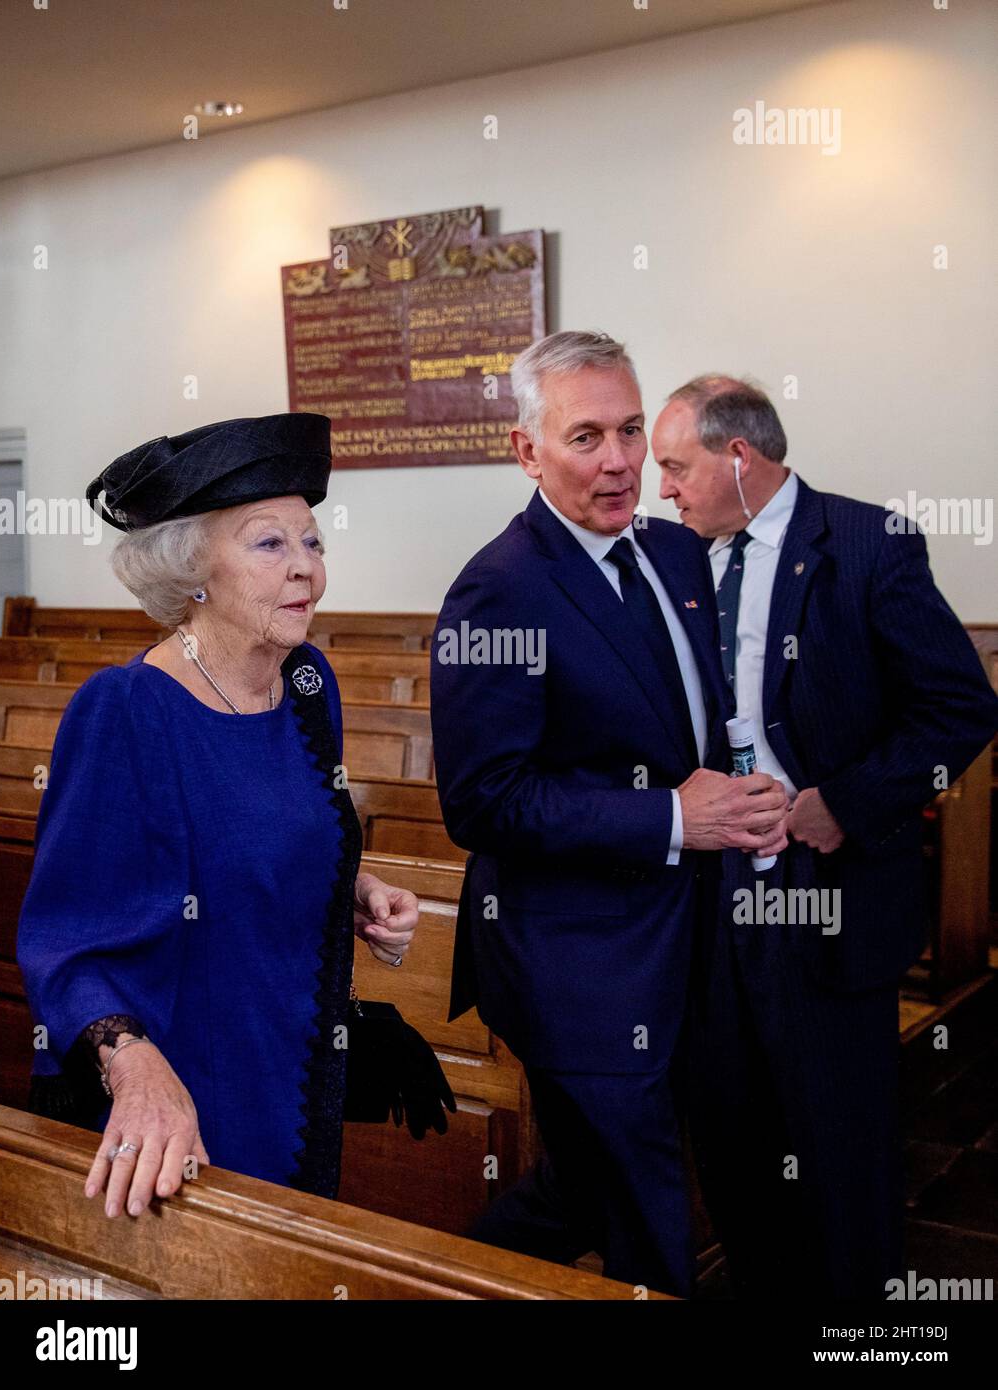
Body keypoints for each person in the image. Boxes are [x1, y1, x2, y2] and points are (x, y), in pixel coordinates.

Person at [429, 332, 788, 1296]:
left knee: (587, 1193)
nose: (622, 459)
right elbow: (482, 798)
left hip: (693, 940)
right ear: (527, 451)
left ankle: (442, 1281)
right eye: (586, 436)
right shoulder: (497, 588)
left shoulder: (674, 548)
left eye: (631, 430)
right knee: (649, 1221)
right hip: (577, 964)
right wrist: (673, 818)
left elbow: (688, 727)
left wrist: (750, 792)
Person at [17, 412, 421, 1222]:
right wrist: (133, 1069)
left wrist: (351, 883)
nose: (305, 569)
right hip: (180, 1083)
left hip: (296, 1058)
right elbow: (64, 942)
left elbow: (261, 832)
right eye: (270, 544)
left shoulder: (308, 685)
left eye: (313, 543)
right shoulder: (125, 711)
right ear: (192, 569)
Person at [651, 376, 998, 1298]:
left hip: (829, 895)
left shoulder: (866, 543)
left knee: (841, 1150)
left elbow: (961, 708)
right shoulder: (675, 558)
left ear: (738, 456)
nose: (663, 491)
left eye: (676, 468)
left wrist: (842, 801)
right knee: (731, 1134)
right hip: (707, 895)